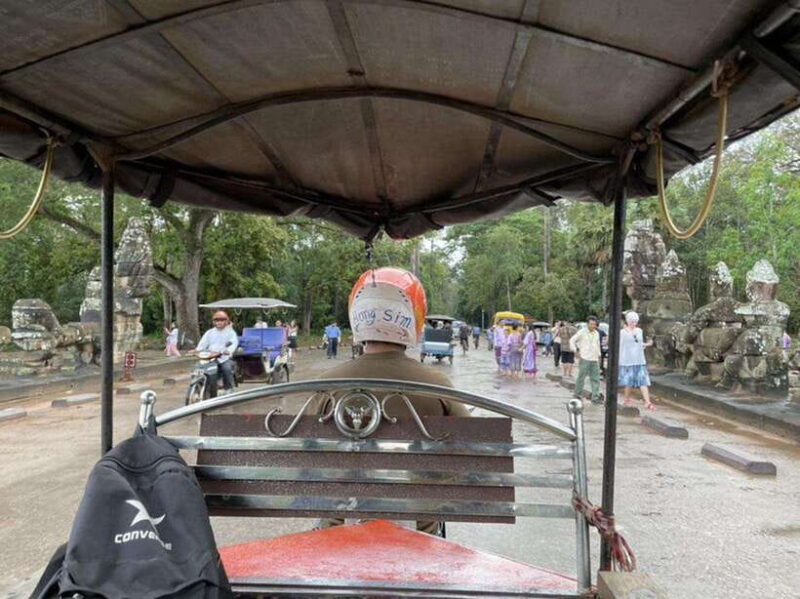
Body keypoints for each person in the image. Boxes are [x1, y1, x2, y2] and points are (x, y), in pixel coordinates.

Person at [317, 267, 470, 534]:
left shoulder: (327, 384)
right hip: (420, 525)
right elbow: (471, 453)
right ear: (414, 319)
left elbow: (310, 455)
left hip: (340, 522)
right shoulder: (437, 385)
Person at [195, 311, 239, 397]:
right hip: (210, 357)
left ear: (226, 321)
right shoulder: (210, 332)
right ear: (214, 322)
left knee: (226, 368)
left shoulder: (230, 332)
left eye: (222, 320)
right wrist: (197, 350)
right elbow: (202, 344)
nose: (219, 322)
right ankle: (203, 387)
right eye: (217, 320)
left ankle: (228, 389)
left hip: (224, 358)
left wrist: (228, 351)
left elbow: (233, 343)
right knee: (199, 367)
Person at [619, 311, 655, 410]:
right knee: (628, 382)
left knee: (643, 382)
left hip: (639, 360)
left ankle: (647, 402)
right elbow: (620, 346)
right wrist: (620, 360)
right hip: (627, 360)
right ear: (627, 321)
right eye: (631, 321)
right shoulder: (623, 332)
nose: (633, 324)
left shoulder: (639, 331)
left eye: (635, 322)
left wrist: (647, 344)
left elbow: (640, 343)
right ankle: (626, 399)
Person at [570, 316, 602, 404]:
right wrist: (575, 350)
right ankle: (577, 395)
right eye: (591, 324)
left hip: (594, 359)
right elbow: (572, 340)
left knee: (595, 379)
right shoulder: (582, 332)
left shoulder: (596, 333)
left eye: (594, 324)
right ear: (587, 324)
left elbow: (597, 345)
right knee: (581, 377)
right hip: (585, 358)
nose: (593, 326)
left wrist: (599, 356)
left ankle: (595, 398)